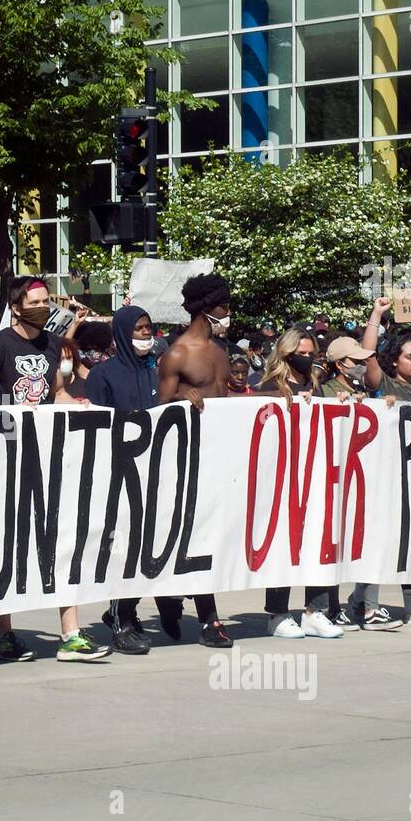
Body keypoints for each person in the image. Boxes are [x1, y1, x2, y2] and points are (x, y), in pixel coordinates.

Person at [0, 275, 108, 662]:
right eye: (35, 302)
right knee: (8, 541)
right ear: (16, 307)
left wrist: (73, 403)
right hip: (8, 457)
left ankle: (71, 633)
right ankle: (3, 632)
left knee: (62, 539)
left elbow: (57, 392)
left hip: (49, 454)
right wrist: (4, 411)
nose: (43, 307)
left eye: (47, 300)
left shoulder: (52, 345)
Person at [85, 305, 198, 652]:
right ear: (121, 333)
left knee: (147, 548)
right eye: (138, 328)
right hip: (118, 475)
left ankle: (131, 610)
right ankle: (120, 623)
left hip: (157, 476)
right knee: (123, 551)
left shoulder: (158, 371)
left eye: (149, 328)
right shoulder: (103, 375)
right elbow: (93, 424)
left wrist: (183, 397)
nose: (146, 334)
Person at [155, 273, 234, 648]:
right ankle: (209, 619)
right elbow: (157, 411)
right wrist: (183, 395)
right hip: (186, 458)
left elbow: (229, 400)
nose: (229, 313)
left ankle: (170, 598)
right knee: (195, 537)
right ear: (206, 309)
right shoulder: (178, 354)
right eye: (224, 306)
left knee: (212, 539)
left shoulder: (221, 352)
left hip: (220, 455)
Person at [349, 297, 411, 629]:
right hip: (383, 480)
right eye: (409, 356)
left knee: (410, 542)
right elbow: (367, 355)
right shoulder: (384, 384)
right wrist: (376, 314)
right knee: (380, 542)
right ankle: (367, 605)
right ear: (395, 360)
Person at [252, 330, 345, 639]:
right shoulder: (269, 387)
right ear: (287, 353)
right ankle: (277, 614)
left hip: (313, 478)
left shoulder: (315, 386)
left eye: (311, 353)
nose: (307, 358)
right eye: (301, 353)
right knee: (283, 544)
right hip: (282, 479)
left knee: (317, 541)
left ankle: (313, 612)